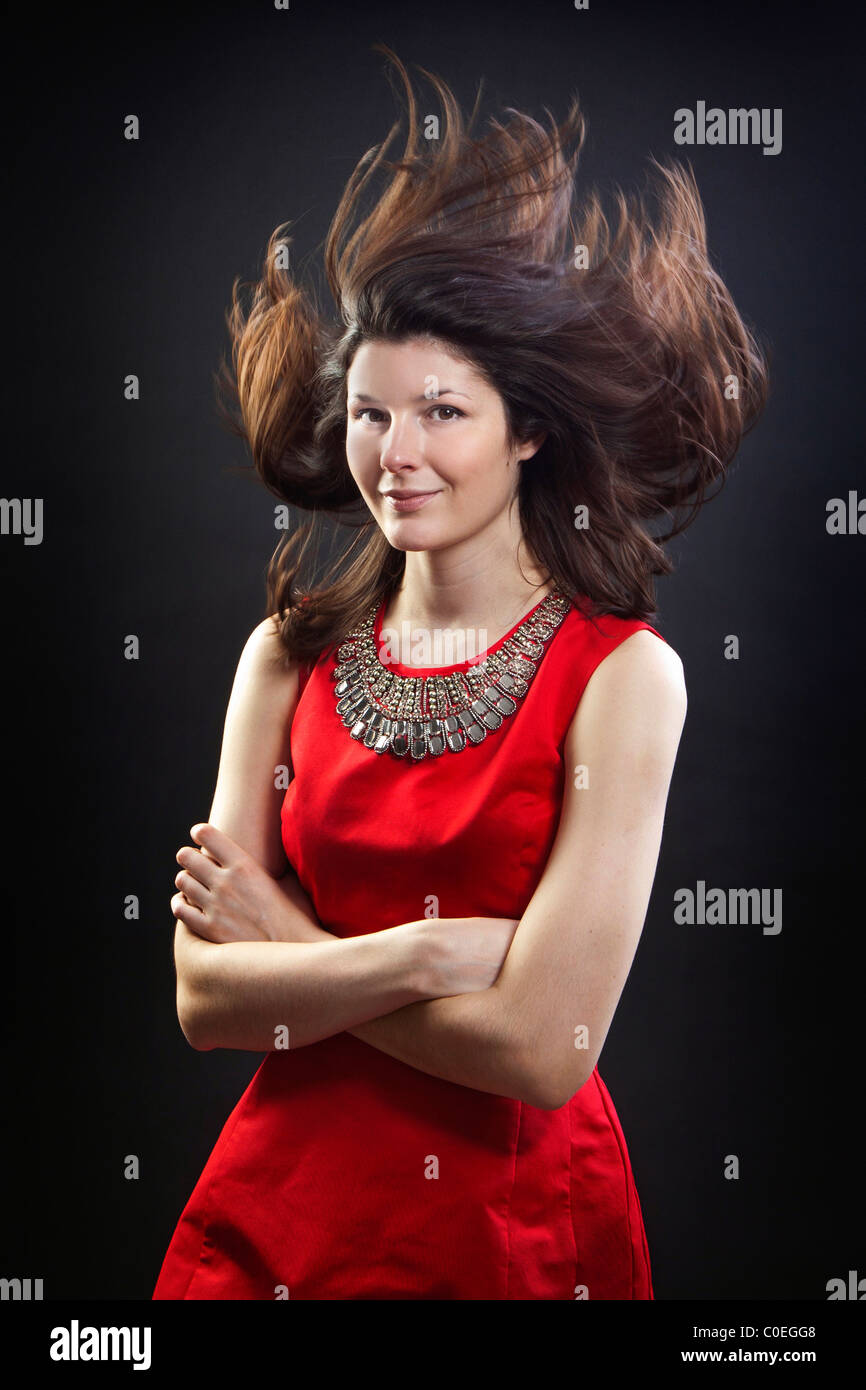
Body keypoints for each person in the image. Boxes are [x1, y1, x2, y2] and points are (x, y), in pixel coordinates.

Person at [152, 46, 768, 1300]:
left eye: (442, 412)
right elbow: (208, 998)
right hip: (280, 1214)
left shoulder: (623, 677)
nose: (396, 455)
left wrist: (298, 947)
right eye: (372, 415)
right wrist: (425, 956)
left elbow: (546, 1050)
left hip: (510, 1232)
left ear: (525, 429)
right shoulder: (285, 657)